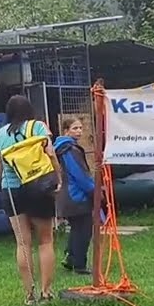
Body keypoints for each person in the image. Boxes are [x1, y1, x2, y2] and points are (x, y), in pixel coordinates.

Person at [0, 94, 62, 305]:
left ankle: (29, 294)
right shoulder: (38, 127)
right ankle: (46, 291)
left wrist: (4, 183)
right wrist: (57, 178)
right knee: (45, 240)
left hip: (11, 190)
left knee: (22, 242)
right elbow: (50, 153)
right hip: (39, 186)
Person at [54, 117, 96, 275]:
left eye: (80, 128)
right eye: (74, 128)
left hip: (65, 195)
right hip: (75, 195)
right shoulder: (69, 149)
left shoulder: (61, 148)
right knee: (84, 229)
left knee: (77, 228)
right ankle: (79, 265)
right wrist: (93, 190)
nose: (79, 131)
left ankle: (70, 258)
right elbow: (79, 175)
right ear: (66, 131)